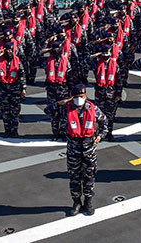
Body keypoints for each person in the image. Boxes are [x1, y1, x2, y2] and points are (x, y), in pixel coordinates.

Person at [47, 84, 108, 216]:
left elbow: (104, 123)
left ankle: (88, 201)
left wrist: (100, 136)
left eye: (81, 97)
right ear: (72, 97)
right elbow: (48, 111)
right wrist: (60, 103)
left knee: (89, 177)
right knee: (74, 177)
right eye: (76, 97)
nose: (79, 100)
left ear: (85, 96)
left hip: (89, 150)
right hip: (73, 150)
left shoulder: (93, 108)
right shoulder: (66, 109)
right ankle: (76, 202)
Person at [0, 45, 26, 138]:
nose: (8, 51)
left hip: (15, 89)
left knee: (15, 111)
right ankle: (7, 130)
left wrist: (23, 89)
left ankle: (14, 130)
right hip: (3, 89)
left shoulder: (17, 61)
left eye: (10, 49)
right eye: (7, 50)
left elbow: (22, 75)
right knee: (5, 111)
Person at [88, 46, 120, 141]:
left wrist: (118, 94)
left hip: (111, 93)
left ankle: (109, 133)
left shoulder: (115, 65)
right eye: (104, 52)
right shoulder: (97, 63)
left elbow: (118, 81)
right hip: (100, 93)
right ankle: (101, 134)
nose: (106, 54)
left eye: (108, 52)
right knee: (100, 115)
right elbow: (85, 61)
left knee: (110, 115)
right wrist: (96, 55)